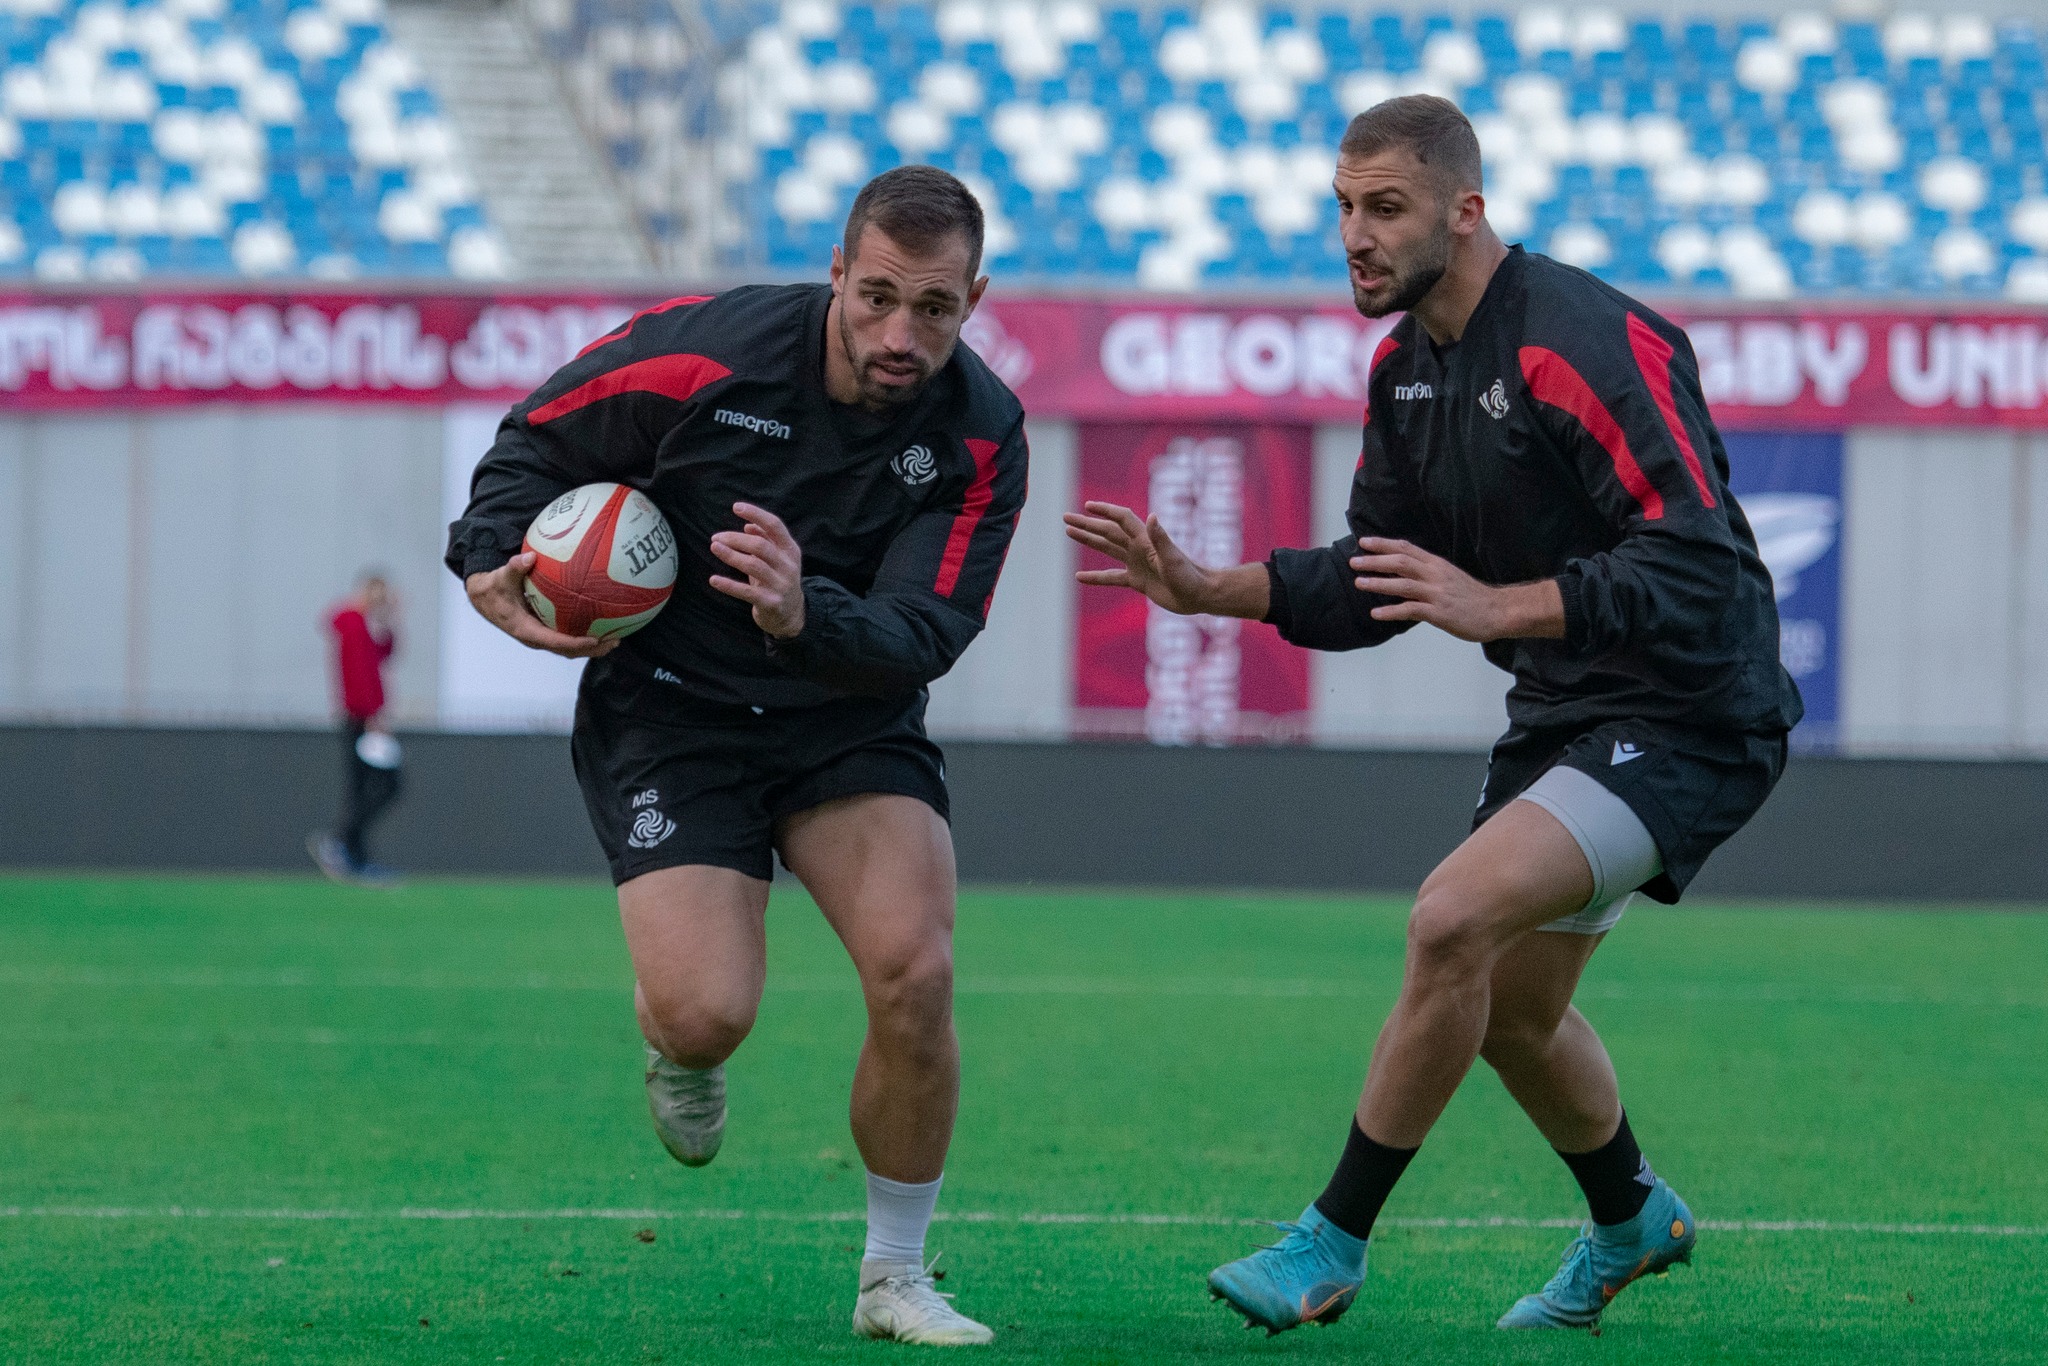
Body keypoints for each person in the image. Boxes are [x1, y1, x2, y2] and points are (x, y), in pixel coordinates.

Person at [1066, 95, 1800, 1336]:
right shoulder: (1405, 373)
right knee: (1513, 1013)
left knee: (1448, 918)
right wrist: (1208, 589)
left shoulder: (1581, 339)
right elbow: (1377, 576)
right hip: (1569, 714)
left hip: (1693, 711)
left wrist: (1495, 602)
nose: (1352, 234)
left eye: (1383, 208)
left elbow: (1697, 569)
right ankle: (1631, 1217)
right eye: (1342, 208)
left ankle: (1329, 1242)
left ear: (1466, 212)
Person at [445, 166, 1027, 1346]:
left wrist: (804, 614)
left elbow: (930, 629)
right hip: (670, 711)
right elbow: (536, 440)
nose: (899, 333)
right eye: (875, 298)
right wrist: (489, 560)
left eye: (933, 307)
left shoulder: (979, 432)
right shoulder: (706, 352)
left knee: (915, 972)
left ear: (974, 295)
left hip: (843, 716)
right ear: (834, 274)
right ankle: (678, 1045)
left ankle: (892, 1278)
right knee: (708, 1013)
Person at [309, 572, 404, 887]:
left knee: (363, 790)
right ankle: (339, 842)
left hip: (365, 716)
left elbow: (384, 655)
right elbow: (358, 673)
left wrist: (389, 622)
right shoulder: (352, 622)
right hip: (361, 718)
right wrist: (372, 715)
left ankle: (355, 858)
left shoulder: (364, 625)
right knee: (386, 785)